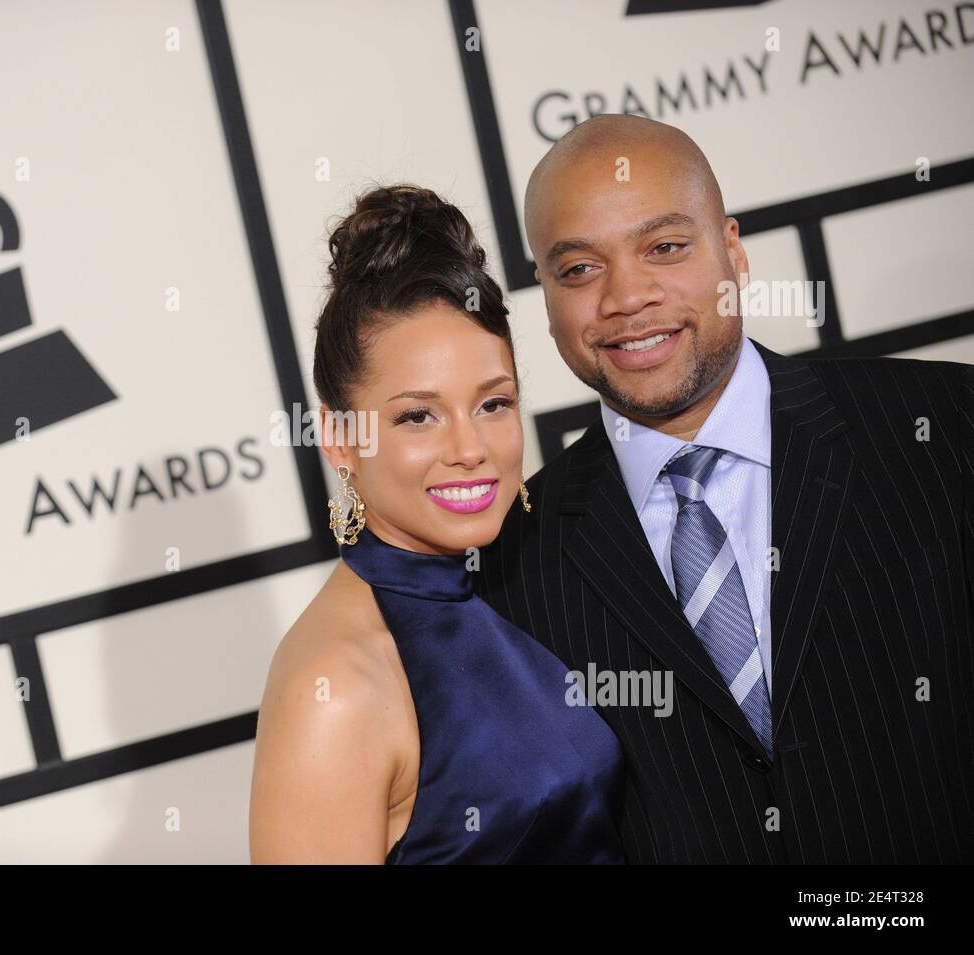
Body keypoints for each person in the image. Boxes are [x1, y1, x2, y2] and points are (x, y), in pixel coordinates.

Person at [477, 113, 974, 863]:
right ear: (544, 296)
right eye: (579, 268)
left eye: (665, 247)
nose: (626, 296)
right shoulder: (510, 561)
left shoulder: (944, 428)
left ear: (733, 252)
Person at [248, 185, 625, 864]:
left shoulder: (530, 586)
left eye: (493, 403)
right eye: (418, 415)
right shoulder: (330, 689)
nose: (469, 447)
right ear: (339, 437)